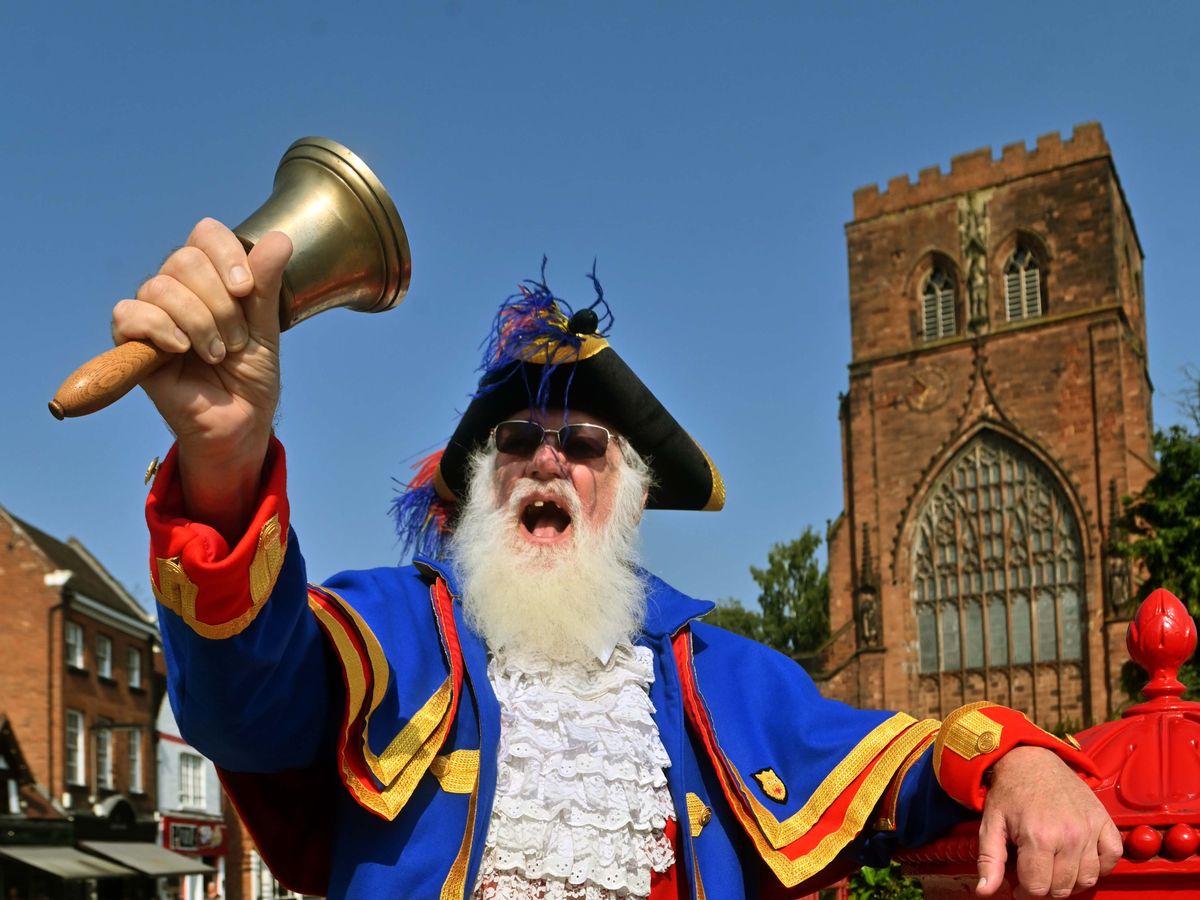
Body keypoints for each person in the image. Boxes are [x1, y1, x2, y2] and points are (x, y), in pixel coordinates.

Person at [115, 219, 1122, 900]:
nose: (547, 455)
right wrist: (226, 456)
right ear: (475, 489)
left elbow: (904, 764)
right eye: (515, 443)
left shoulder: (718, 679)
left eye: (585, 446)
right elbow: (242, 699)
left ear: (624, 497)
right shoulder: (392, 632)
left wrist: (1023, 758)